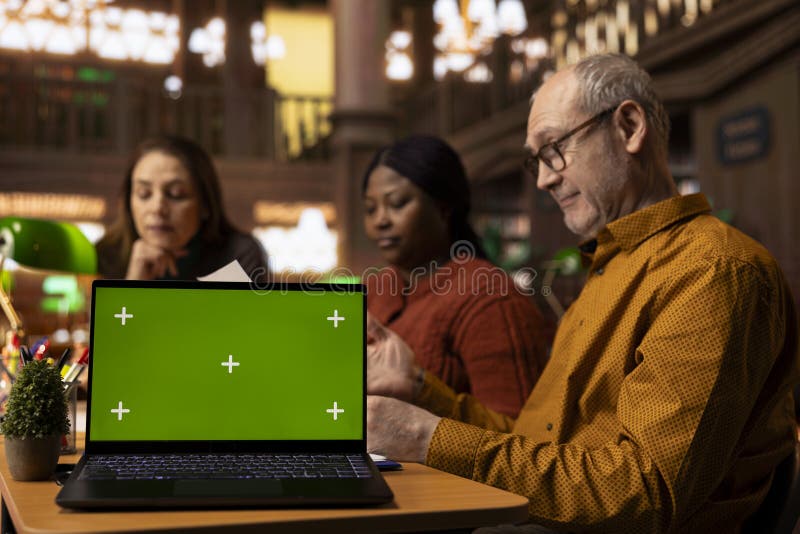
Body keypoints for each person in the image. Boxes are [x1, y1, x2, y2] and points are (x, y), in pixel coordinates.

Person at [365, 54, 799, 532]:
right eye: (536, 161)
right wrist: (425, 393)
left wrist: (428, 439)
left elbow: (644, 490)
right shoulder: (609, 268)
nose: (545, 178)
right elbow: (537, 445)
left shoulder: (711, 271)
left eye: (554, 148)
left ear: (629, 127)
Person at [362, 135, 550, 417]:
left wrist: (421, 390)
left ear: (443, 207)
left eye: (398, 203)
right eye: (370, 208)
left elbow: (519, 438)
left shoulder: (491, 298)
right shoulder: (374, 288)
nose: (381, 220)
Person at [96, 135, 269, 281]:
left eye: (176, 194)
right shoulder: (105, 256)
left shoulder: (238, 256)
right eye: (144, 194)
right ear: (128, 202)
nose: (157, 208)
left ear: (205, 205)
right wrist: (133, 282)